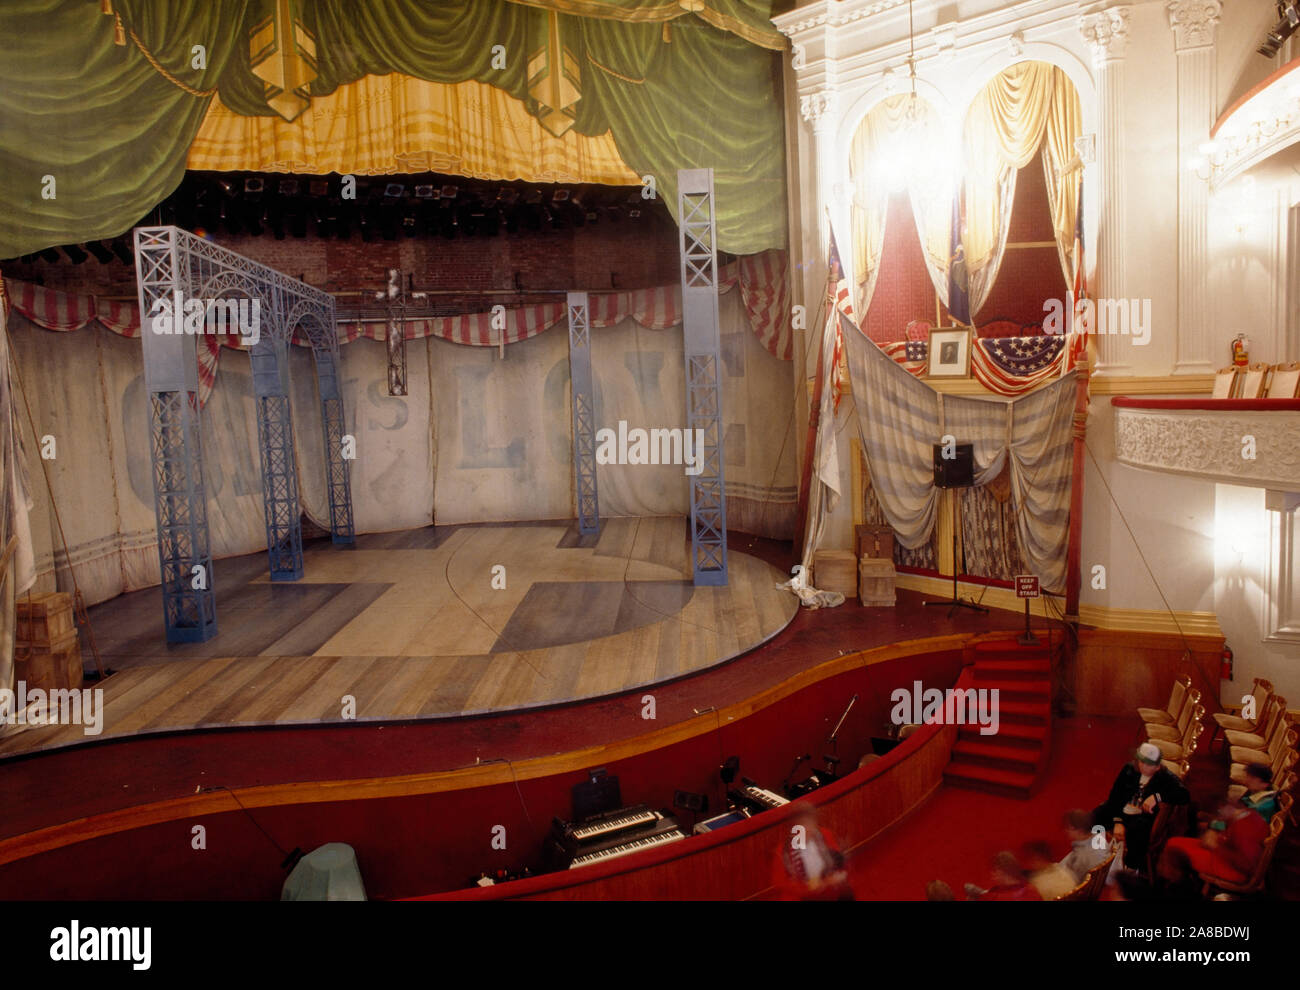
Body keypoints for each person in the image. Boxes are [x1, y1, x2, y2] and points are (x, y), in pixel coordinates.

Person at [1093, 742, 1189, 869]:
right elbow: (1115, 796)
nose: (1143, 766)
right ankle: (1099, 851)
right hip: (1121, 812)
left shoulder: (1165, 777)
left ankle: (1130, 868)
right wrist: (1118, 821)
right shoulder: (1129, 769)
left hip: (1141, 818)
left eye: (1148, 764)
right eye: (1141, 762)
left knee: (1137, 833)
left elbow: (1184, 796)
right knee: (1096, 817)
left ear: (1157, 766)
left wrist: (1157, 797)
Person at [1158, 794, 1270, 890]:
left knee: (1174, 848)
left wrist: (1215, 846)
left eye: (1220, 811)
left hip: (1234, 870)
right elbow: (1230, 837)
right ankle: (1183, 880)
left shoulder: (1247, 827)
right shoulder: (1245, 815)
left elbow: (1247, 865)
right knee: (1173, 841)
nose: (1219, 815)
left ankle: (1178, 886)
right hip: (1225, 853)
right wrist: (1217, 836)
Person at [771, 802, 854, 901]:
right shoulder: (782, 852)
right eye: (803, 826)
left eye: (810, 824)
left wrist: (836, 876)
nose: (809, 829)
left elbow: (839, 861)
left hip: (829, 890)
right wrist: (811, 887)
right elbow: (780, 882)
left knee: (847, 893)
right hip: (802, 895)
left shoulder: (825, 835)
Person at [964, 851, 1042, 901]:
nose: (992, 874)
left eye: (994, 870)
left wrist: (981, 896)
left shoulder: (1029, 892)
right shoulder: (995, 890)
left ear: (1003, 871)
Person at [1060, 808, 1110, 882]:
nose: (1065, 830)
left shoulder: (1081, 858)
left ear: (1080, 831)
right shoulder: (1099, 838)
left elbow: (1071, 881)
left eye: (1069, 828)